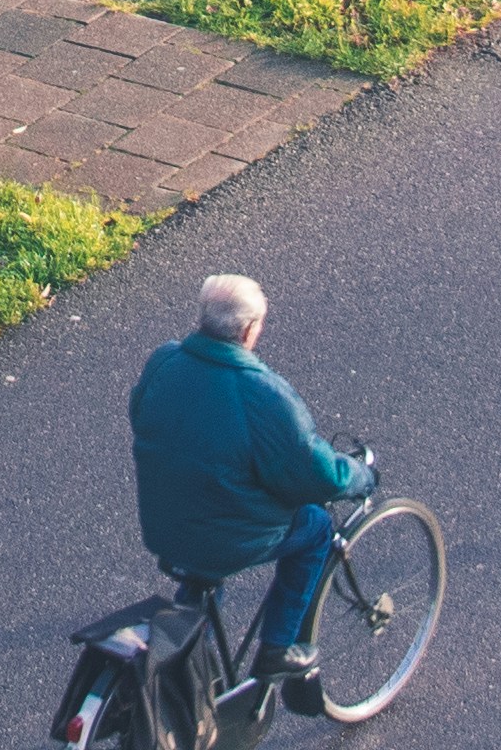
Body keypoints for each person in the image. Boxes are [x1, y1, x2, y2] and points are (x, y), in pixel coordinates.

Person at [130, 271, 371, 699]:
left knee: (205, 558)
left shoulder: (163, 361)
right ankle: (278, 647)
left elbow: (141, 415)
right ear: (248, 330)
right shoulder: (263, 394)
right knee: (315, 528)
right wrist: (360, 477)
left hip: (165, 525)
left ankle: (189, 658)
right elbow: (313, 473)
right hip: (224, 537)